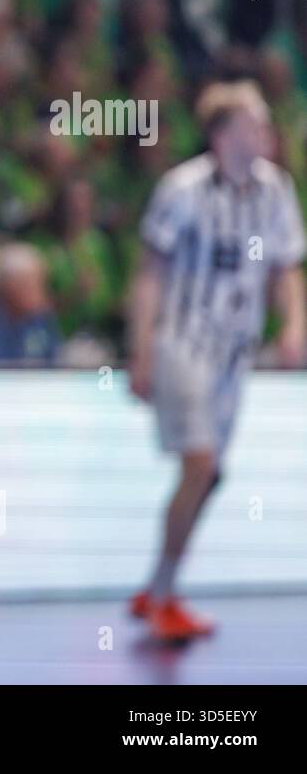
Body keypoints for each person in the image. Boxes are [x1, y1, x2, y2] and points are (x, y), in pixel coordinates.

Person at [127, 80, 305, 642]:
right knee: (200, 464)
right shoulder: (182, 189)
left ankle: (158, 588)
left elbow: (284, 266)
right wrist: (140, 350)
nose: (266, 133)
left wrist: (295, 325)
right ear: (224, 132)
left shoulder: (275, 190)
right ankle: (159, 596)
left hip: (235, 353)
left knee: (210, 474)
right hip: (183, 341)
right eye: (254, 123)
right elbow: (150, 271)